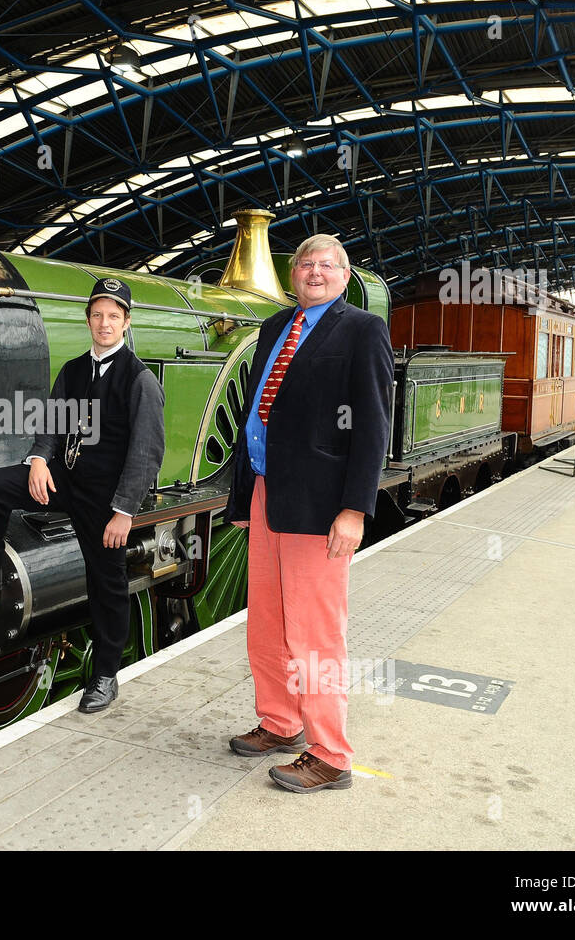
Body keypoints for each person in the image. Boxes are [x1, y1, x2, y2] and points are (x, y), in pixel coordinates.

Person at [0, 278, 165, 713]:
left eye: (113, 316)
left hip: (105, 499)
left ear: (126, 322)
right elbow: (52, 423)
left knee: (107, 583)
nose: (105, 323)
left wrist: (124, 512)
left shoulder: (139, 380)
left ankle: (105, 675)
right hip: (65, 479)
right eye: (97, 315)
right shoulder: (73, 370)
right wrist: (39, 458)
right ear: (88, 320)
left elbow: (147, 453)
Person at [223, 234, 393, 793]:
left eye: (326, 265)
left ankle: (331, 755)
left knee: (315, 631)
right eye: (305, 264)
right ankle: (280, 721)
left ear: (344, 276)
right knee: (268, 621)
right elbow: (254, 414)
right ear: (292, 273)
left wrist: (354, 509)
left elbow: (373, 426)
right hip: (266, 492)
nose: (314, 272)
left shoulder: (363, 330)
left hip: (320, 504)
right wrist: (244, 498)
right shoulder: (275, 326)